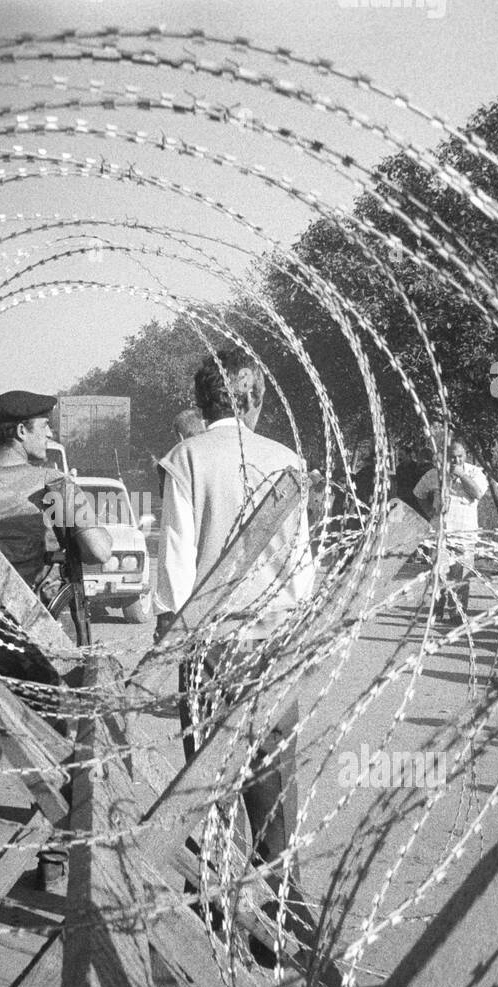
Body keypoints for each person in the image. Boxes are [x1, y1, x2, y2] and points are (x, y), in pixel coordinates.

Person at [0, 390, 112, 882]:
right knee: (58, 753)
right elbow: (98, 550)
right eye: (43, 427)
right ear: (20, 433)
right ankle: (53, 859)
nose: (49, 435)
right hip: (44, 649)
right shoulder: (52, 487)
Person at [154, 348, 315, 893]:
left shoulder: (186, 459)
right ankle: (278, 913)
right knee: (272, 782)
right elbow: (302, 564)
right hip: (274, 639)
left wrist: (166, 641)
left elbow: (175, 566)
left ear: (201, 400)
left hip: (209, 645)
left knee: (210, 789)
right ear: (255, 399)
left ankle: (214, 907)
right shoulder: (288, 461)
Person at [413, 438, 490, 621]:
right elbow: (418, 493)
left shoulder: (475, 472)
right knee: (438, 572)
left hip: (465, 534)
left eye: (460, 456)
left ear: (466, 455)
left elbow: (478, 493)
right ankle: (436, 609)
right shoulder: (435, 474)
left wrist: (462, 475)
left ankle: (457, 612)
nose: (456, 461)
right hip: (441, 532)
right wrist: (429, 511)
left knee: (461, 575)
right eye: (452, 457)